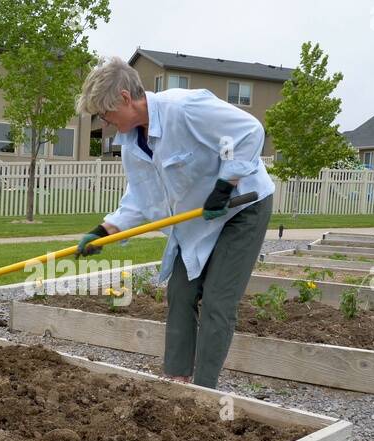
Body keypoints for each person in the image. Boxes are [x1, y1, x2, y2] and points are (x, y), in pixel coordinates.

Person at [75, 56, 274, 389]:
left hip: (242, 208)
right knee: (180, 293)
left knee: (217, 300)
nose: (105, 122)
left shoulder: (184, 108)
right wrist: (104, 231)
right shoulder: (130, 144)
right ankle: (177, 380)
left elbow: (249, 131)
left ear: (125, 98)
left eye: (107, 113)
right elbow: (142, 197)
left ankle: (204, 390)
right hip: (198, 221)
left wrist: (225, 185)